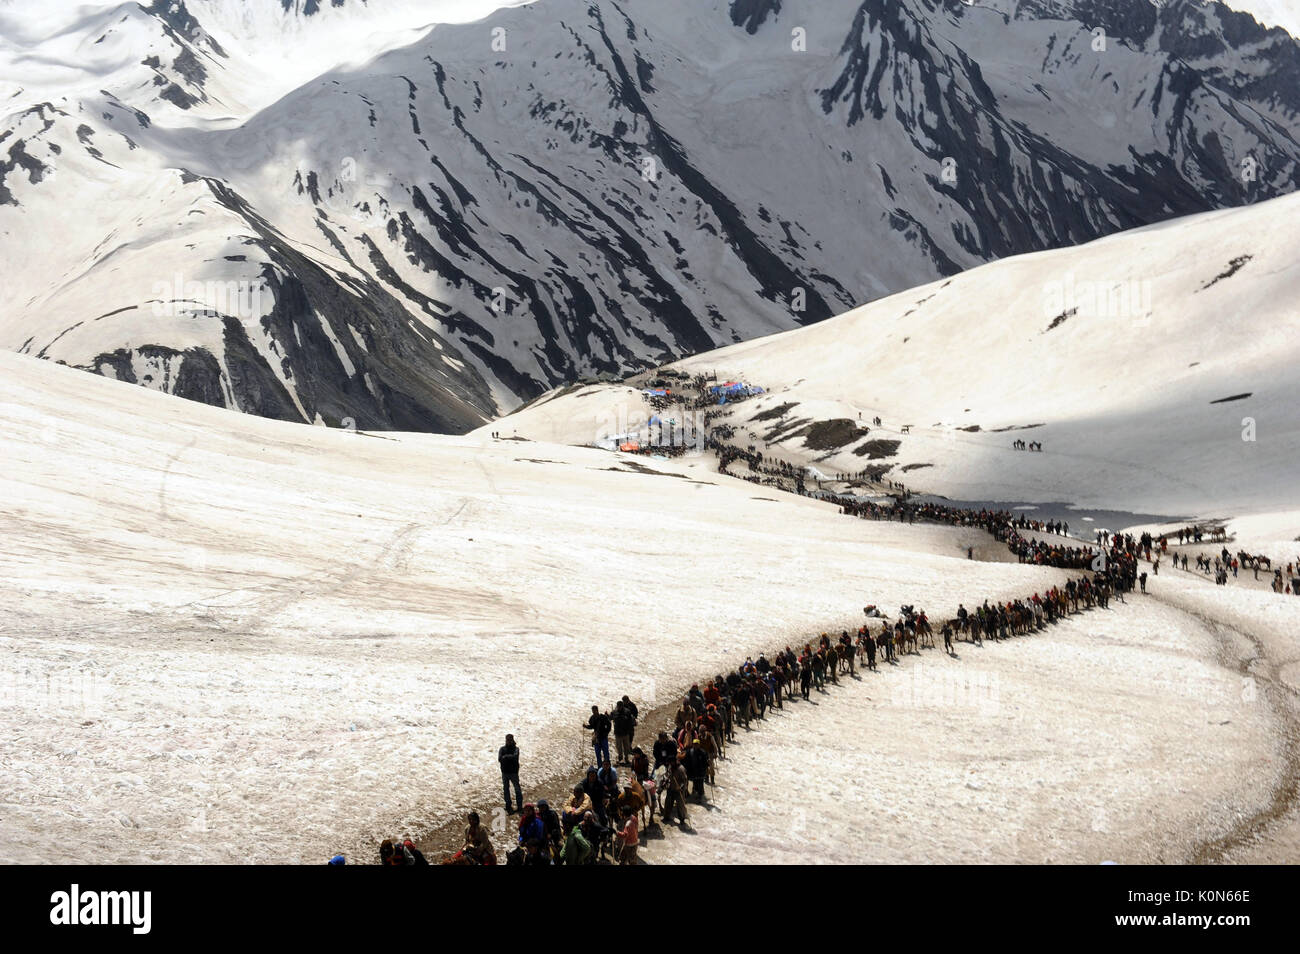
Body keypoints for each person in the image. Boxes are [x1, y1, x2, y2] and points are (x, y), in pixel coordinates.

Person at [498, 733, 522, 814]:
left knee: (517, 789)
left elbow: (515, 757)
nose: (508, 741)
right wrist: (509, 758)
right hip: (505, 772)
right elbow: (499, 759)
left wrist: (505, 757)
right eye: (507, 740)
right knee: (506, 789)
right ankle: (508, 805)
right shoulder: (502, 749)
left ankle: (519, 806)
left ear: (512, 740)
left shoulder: (516, 749)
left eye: (510, 740)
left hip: (513, 773)